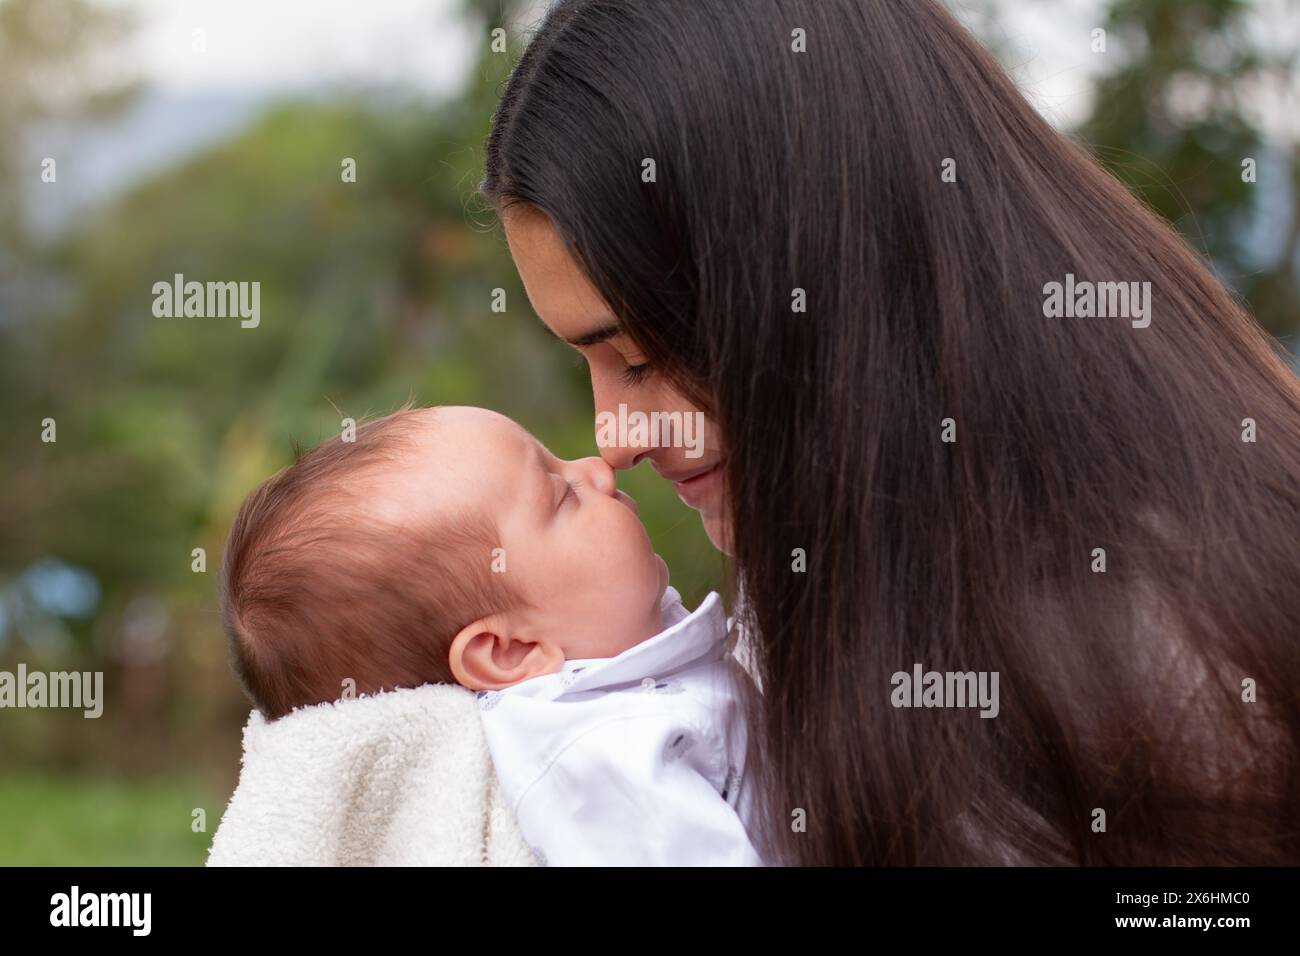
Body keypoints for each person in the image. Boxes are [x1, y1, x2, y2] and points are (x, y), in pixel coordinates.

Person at [480, 0, 1300, 865]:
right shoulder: (845, 579)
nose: (614, 440)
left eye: (639, 356)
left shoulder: (1178, 663)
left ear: (811, 279)